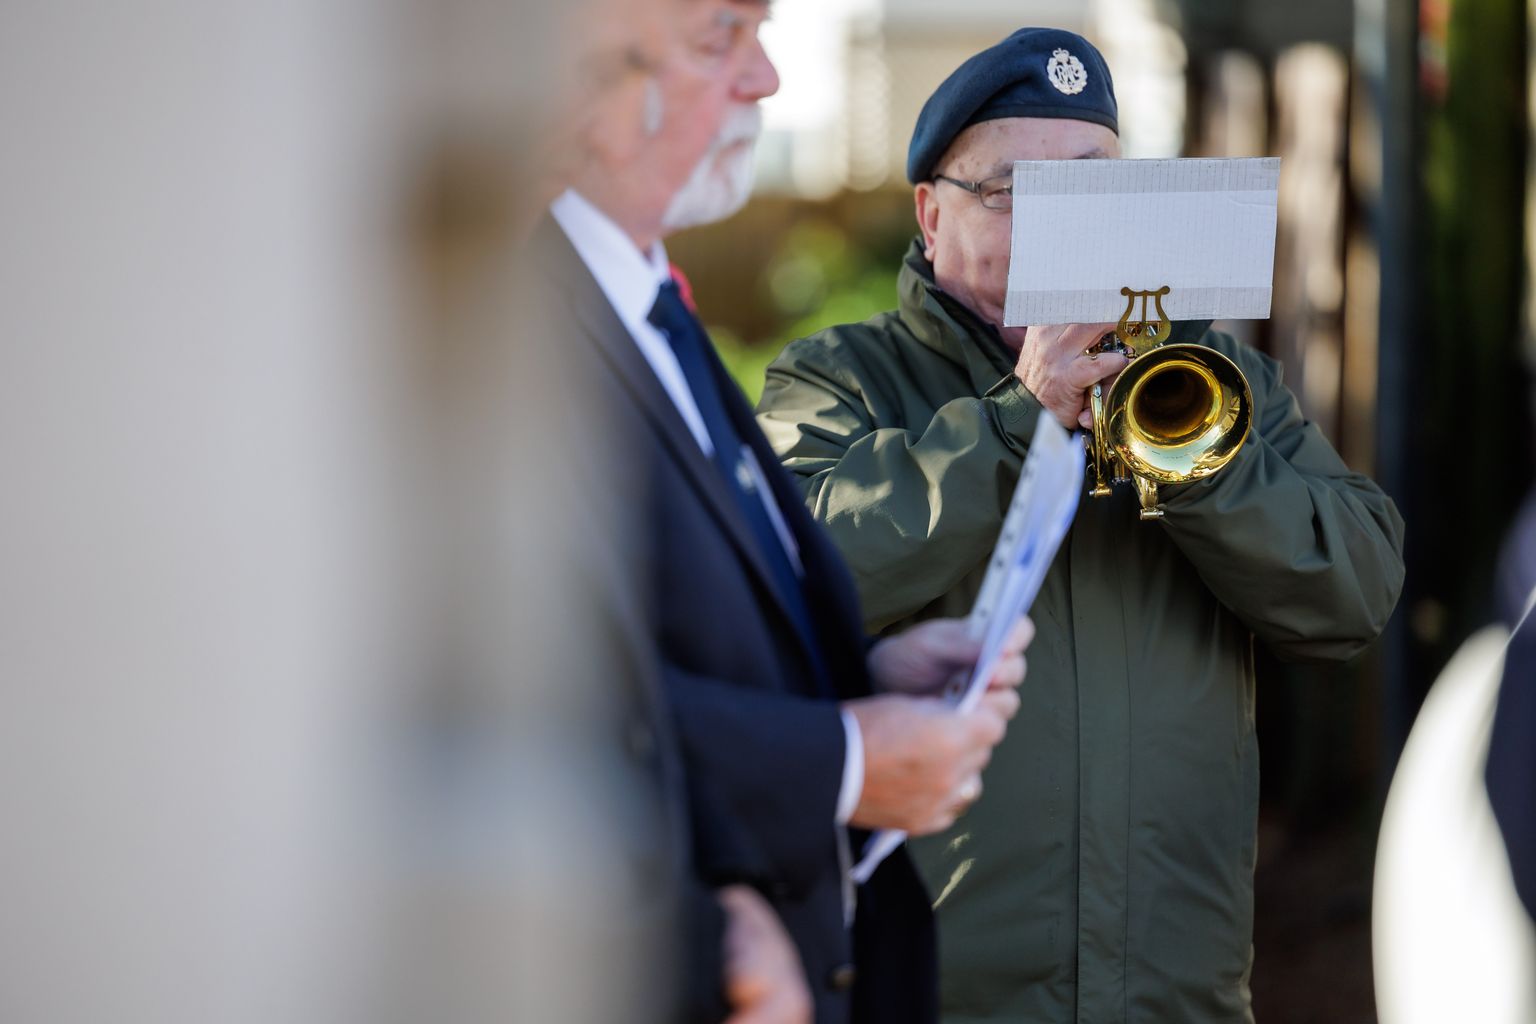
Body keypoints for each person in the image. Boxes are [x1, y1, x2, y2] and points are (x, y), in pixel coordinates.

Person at [754, 26, 1406, 1023]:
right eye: (1018, 193)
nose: (1069, 227)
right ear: (932, 216)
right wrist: (1019, 424)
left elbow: (1354, 590)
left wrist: (1195, 467)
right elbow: (794, 569)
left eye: (1094, 188)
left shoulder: (1213, 377)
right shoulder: (837, 378)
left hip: (1173, 993)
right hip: (939, 995)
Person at [527, 3, 1034, 1021]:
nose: (764, 80)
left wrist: (850, 683)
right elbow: (544, 702)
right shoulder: (519, 333)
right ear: (576, 78)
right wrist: (844, 761)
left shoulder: (641, 297)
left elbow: (668, 634)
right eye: (723, 38)